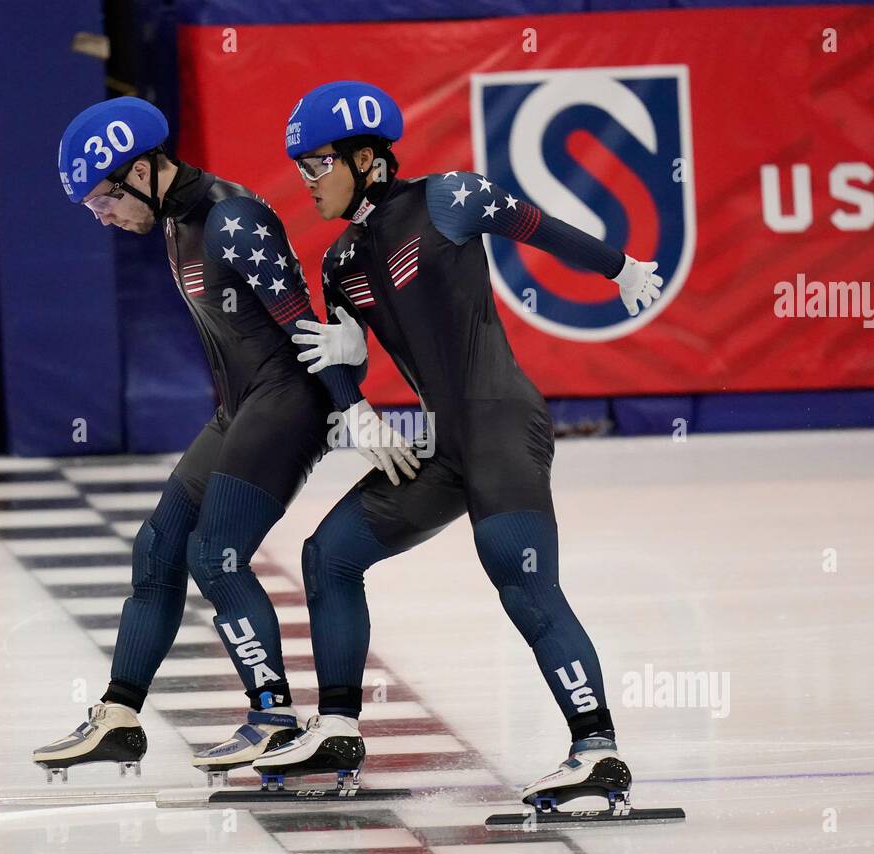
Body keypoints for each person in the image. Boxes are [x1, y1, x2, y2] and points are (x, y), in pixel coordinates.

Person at [255, 81, 663, 808]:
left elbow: (538, 226)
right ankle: (339, 724)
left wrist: (618, 266)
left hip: (503, 423)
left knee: (521, 579)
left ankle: (596, 752)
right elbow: (341, 357)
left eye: (316, 165)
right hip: (442, 444)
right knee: (331, 553)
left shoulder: (448, 196)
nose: (306, 182)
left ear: (366, 158)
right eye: (301, 168)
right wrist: (355, 406)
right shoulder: (338, 262)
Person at [33, 96, 413, 782]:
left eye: (102, 200)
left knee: (217, 553)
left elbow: (302, 322)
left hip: (291, 404)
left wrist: (352, 408)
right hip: (242, 407)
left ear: (141, 170)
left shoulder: (231, 219)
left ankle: (271, 718)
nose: (103, 217)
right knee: (158, 548)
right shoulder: (178, 221)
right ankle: (119, 717)